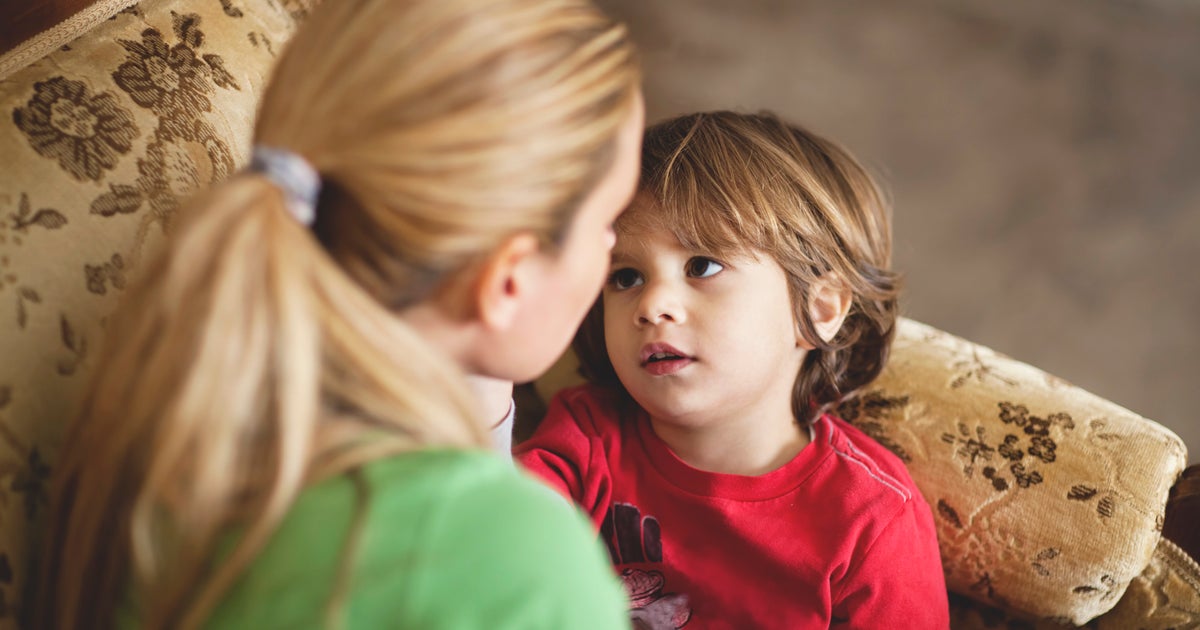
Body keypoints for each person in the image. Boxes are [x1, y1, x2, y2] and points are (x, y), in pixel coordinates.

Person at [30, 0, 644, 628]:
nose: (609, 248)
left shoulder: (185, 431)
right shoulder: (523, 556)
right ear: (507, 280)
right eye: (605, 222)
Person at [515, 111, 949, 628]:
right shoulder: (585, 438)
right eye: (626, 276)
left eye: (702, 266)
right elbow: (491, 553)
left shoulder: (871, 520)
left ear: (821, 309)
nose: (652, 305)